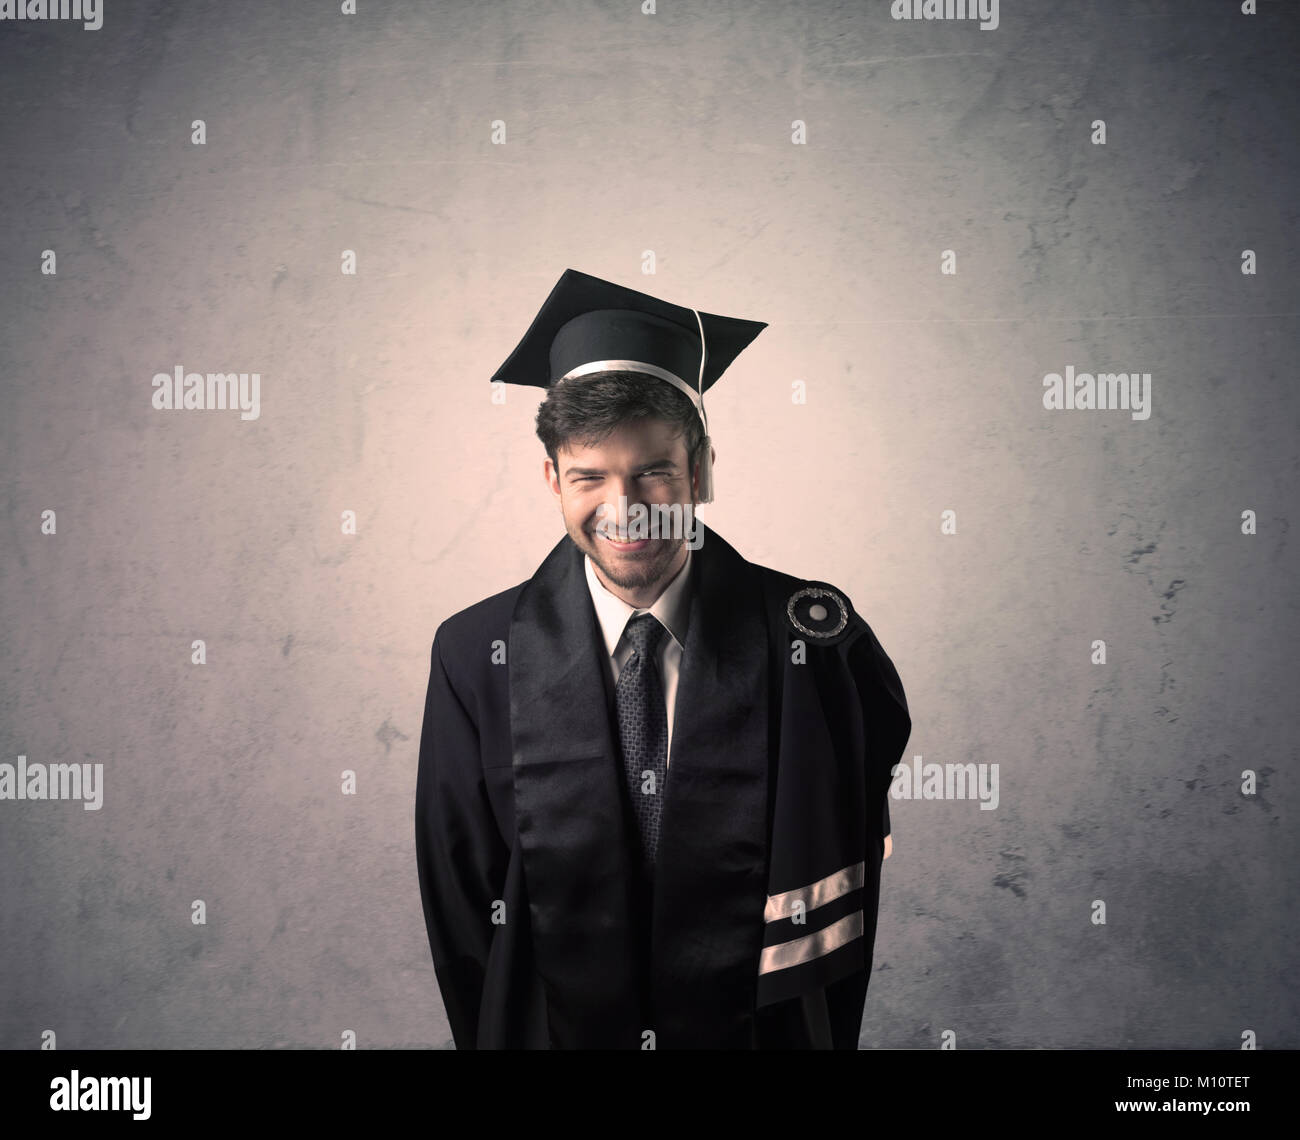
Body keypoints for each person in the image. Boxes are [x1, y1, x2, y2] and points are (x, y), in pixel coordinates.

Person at [415, 268, 912, 1049]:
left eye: (652, 471)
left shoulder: (811, 643)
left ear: (702, 470)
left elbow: (850, 872)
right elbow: (460, 896)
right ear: (552, 480)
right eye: (589, 476)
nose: (625, 509)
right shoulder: (477, 654)